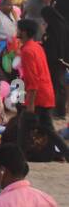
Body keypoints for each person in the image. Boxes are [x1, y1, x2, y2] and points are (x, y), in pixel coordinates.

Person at [14, 18, 69, 161]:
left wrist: (30, 105)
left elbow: (32, 79)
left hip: (38, 96)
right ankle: (63, 153)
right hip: (46, 92)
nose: (17, 32)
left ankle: (19, 156)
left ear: (24, 32)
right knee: (48, 129)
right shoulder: (37, 47)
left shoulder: (27, 50)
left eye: (19, 29)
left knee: (24, 128)